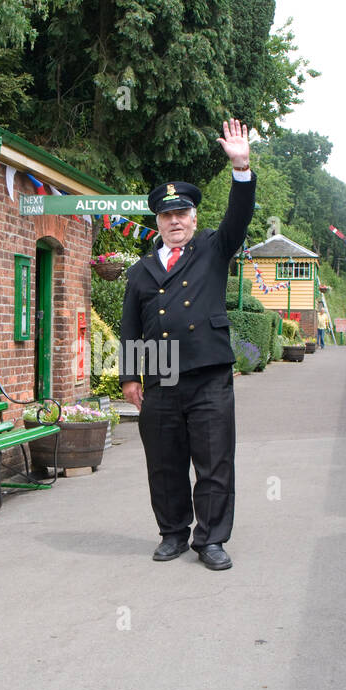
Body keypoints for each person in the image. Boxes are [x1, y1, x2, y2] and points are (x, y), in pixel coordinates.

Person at [120, 120, 255, 571]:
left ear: (194, 219)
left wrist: (241, 168)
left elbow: (239, 216)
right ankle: (173, 533)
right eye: (166, 216)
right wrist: (129, 378)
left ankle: (211, 539)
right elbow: (130, 327)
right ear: (157, 222)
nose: (174, 221)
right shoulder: (140, 270)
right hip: (160, 374)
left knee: (214, 461)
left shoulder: (214, 248)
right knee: (164, 462)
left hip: (208, 372)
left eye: (182, 214)